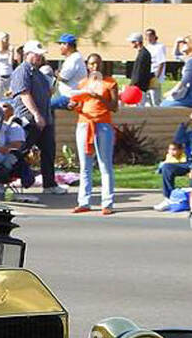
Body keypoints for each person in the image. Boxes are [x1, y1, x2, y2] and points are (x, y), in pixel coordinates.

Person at [9, 40, 64, 194]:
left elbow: (47, 93)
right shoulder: (22, 71)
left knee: (48, 151)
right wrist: (36, 114)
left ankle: (49, 185)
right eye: (36, 54)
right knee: (21, 150)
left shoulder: (38, 72)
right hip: (29, 120)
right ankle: (2, 178)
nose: (39, 57)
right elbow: (24, 94)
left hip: (44, 119)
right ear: (27, 54)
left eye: (41, 55)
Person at [67, 52, 118, 215]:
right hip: (84, 123)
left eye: (97, 63)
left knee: (105, 164)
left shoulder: (109, 83)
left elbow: (114, 106)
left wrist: (100, 98)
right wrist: (73, 105)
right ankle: (84, 201)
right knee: (85, 165)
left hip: (103, 124)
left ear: (101, 65)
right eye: (91, 64)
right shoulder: (82, 83)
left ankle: (107, 203)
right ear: (87, 66)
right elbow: (78, 104)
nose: (94, 66)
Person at [161, 36, 192, 107]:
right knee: (165, 103)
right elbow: (176, 55)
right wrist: (177, 43)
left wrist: (171, 91)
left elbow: (185, 80)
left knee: (164, 105)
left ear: (191, 45)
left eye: (185, 43)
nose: (182, 44)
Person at [49, 34, 87, 110]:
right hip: (69, 95)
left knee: (43, 105)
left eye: (61, 44)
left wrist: (56, 74)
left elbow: (64, 78)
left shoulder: (73, 59)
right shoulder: (75, 58)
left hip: (69, 97)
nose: (60, 47)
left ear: (67, 45)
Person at [127, 32, 152, 105]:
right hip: (141, 87)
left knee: (138, 108)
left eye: (132, 42)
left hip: (139, 88)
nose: (131, 44)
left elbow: (138, 72)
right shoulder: (143, 53)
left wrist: (132, 85)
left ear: (137, 42)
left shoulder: (143, 55)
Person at [144, 29, 167, 106]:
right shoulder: (147, 47)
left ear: (154, 36)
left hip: (155, 75)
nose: (148, 37)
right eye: (147, 36)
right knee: (147, 99)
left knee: (155, 99)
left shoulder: (159, 47)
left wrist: (157, 76)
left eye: (150, 35)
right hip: (147, 75)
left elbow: (161, 62)